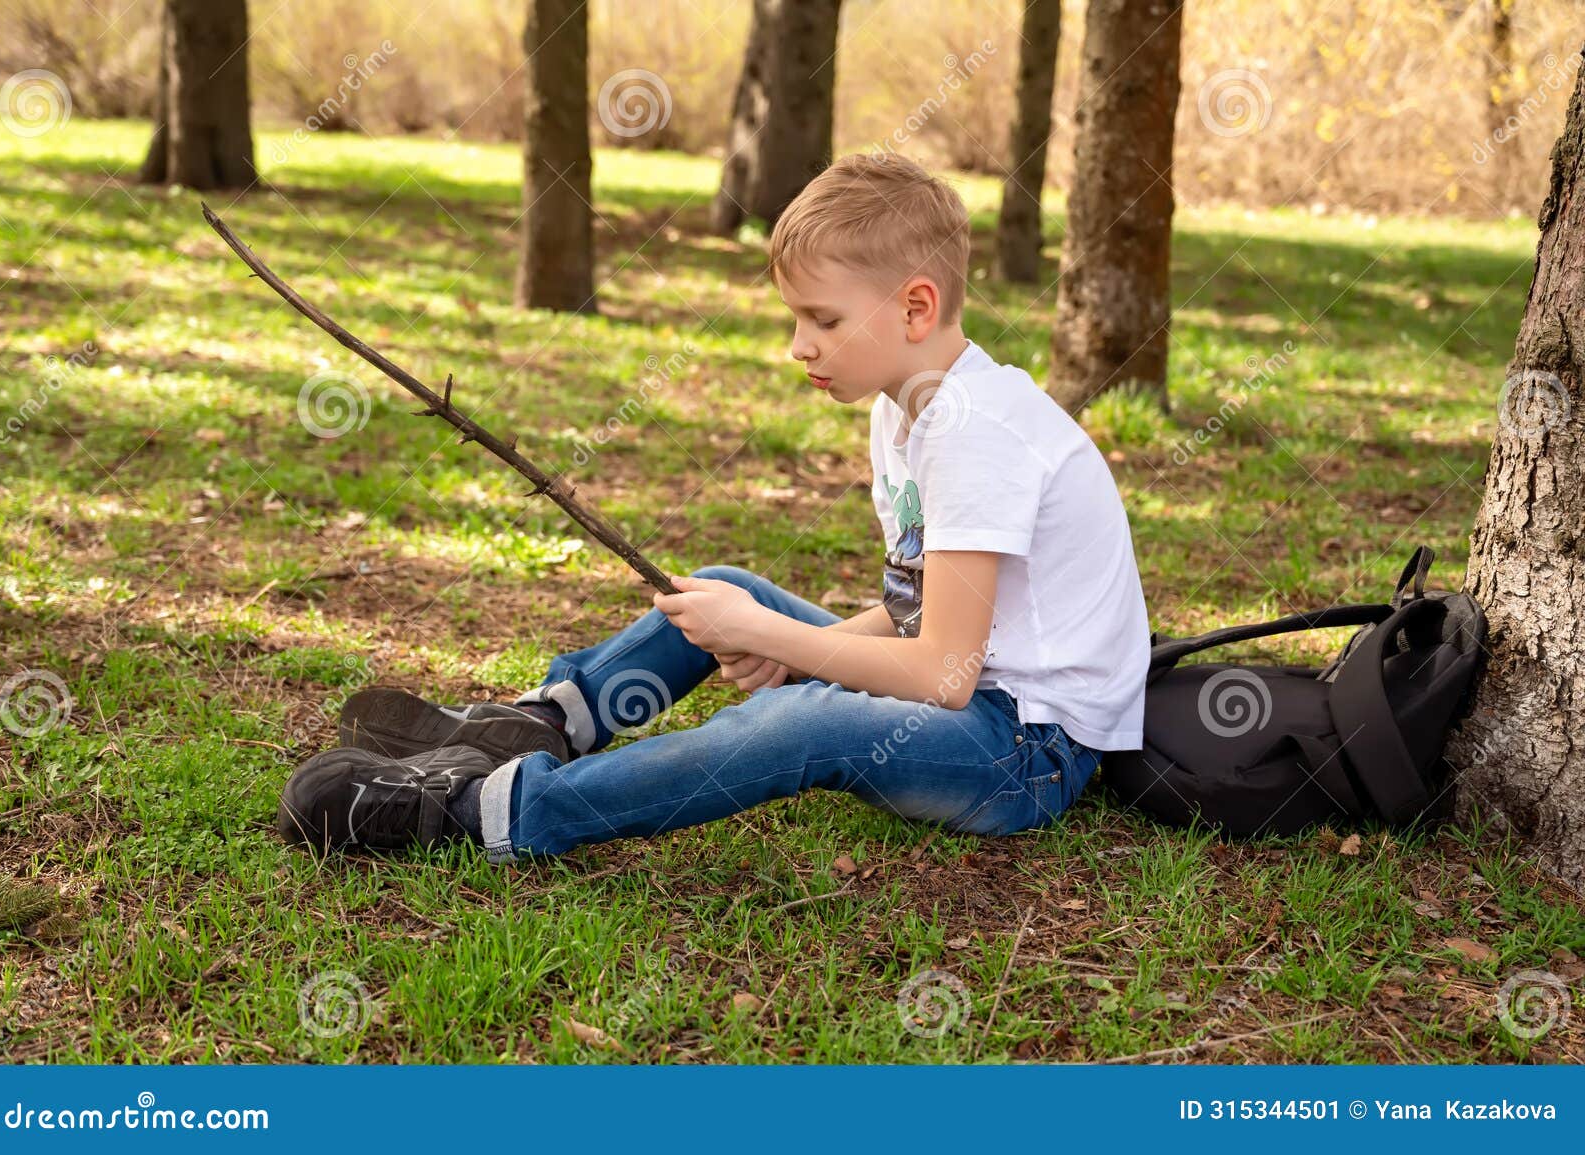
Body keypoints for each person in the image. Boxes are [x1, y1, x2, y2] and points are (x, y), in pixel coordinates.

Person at [276, 152, 1151, 861]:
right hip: (974, 708)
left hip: (1026, 756)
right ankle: (547, 721)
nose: (797, 344)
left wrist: (784, 650)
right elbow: (911, 611)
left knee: (802, 719)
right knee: (731, 588)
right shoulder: (905, 407)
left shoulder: (978, 431)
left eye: (822, 319)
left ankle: (493, 812)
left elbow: (945, 674)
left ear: (916, 306)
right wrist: (786, 637)